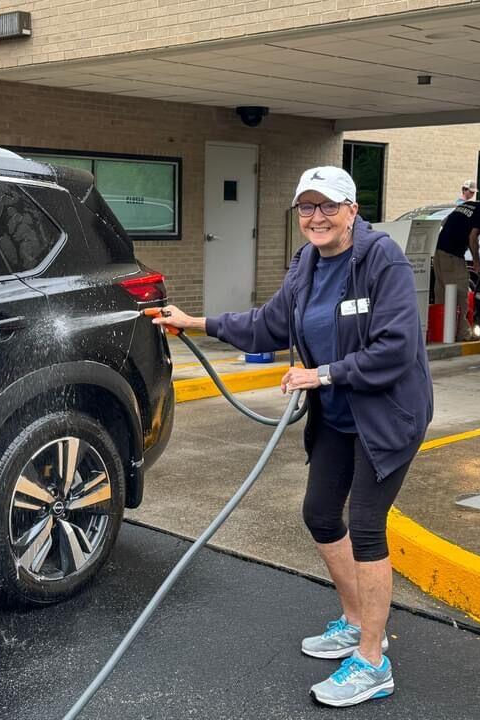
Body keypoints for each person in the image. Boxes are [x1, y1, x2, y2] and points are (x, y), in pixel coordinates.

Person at [152, 166, 433, 708]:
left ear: (353, 210)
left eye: (328, 206)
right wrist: (195, 322)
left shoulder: (381, 261)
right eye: (306, 207)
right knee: (321, 515)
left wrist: (321, 374)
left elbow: (397, 347)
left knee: (368, 528)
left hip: (387, 416)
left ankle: (374, 663)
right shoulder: (306, 263)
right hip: (336, 413)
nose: (316, 217)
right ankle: (354, 622)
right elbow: (270, 324)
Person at [433, 192, 480, 342]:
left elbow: (444, 223)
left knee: (441, 292)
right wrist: (477, 261)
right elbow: (473, 237)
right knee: (460, 292)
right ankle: (463, 333)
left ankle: (440, 331)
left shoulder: (465, 205)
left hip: (438, 252)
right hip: (453, 255)